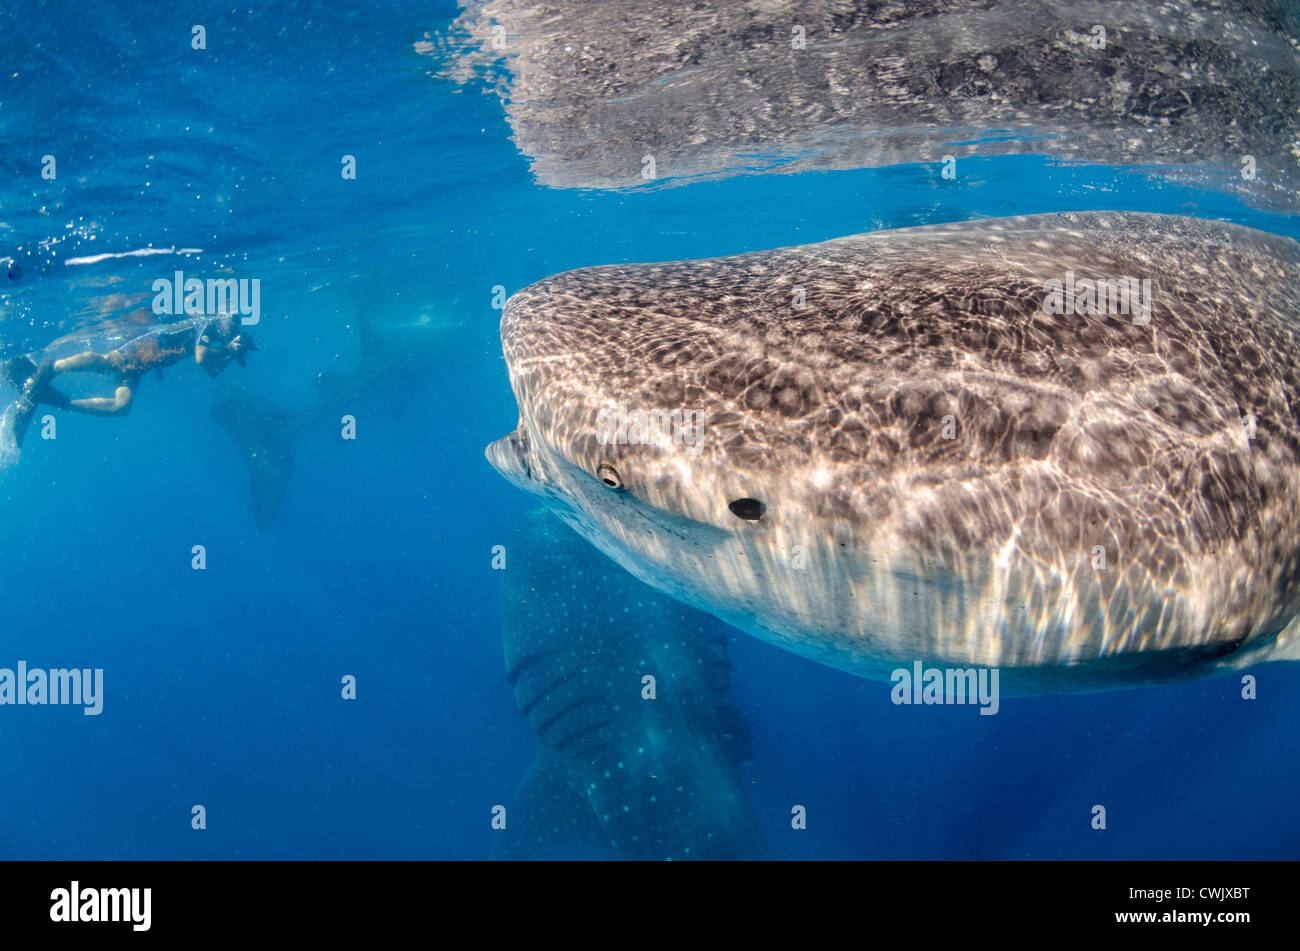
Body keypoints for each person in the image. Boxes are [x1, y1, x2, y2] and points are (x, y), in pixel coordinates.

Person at [2, 313, 256, 445]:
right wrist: (230, 350)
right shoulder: (210, 325)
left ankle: (58, 401)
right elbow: (201, 358)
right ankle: (51, 368)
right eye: (232, 328)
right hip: (150, 345)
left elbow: (211, 371)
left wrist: (231, 354)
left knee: (121, 406)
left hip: (147, 364)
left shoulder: (221, 342)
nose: (231, 332)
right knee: (107, 363)